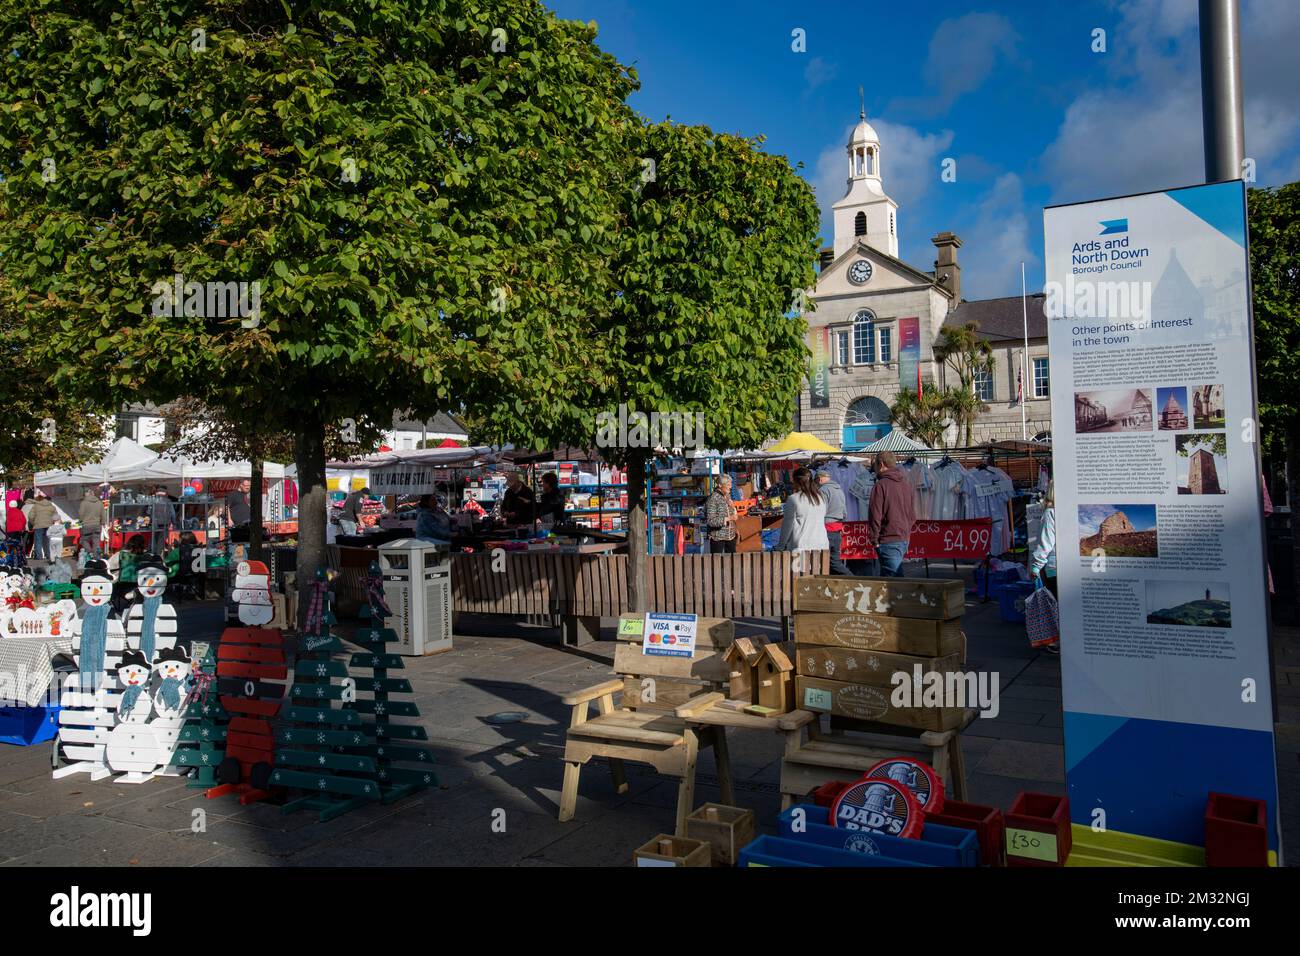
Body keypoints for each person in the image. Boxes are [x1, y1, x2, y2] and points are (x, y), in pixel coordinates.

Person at [867, 451, 915, 578]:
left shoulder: (881, 485)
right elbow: (912, 515)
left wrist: (874, 539)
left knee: (894, 584)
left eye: (875, 465)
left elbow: (875, 515)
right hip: (902, 537)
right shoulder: (905, 485)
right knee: (888, 581)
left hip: (889, 538)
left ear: (881, 464)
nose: (875, 469)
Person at [776, 467, 830, 556]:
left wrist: (781, 545)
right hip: (822, 545)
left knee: (798, 570)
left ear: (796, 482)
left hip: (801, 547)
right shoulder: (821, 498)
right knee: (818, 570)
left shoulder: (793, 499)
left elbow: (787, 525)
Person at [817, 469, 851, 575]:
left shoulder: (823, 490)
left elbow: (821, 511)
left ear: (819, 479)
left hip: (827, 529)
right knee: (834, 561)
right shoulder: (839, 490)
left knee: (829, 562)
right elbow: (845, 512)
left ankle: (853, 579)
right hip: (837, 529)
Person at [1030, 483, 1057, 599]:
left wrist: (1036, 566)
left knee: (1055, 605)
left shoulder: (1050, 512)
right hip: (1070, 567)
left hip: (1053, 567)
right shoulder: (1069, 511)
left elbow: (1046, 541)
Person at [705, 475, 738, 553]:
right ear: (720, 485)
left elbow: (733, 513)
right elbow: (710, 521)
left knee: (732, 562)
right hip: (718, 538)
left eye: (731, 484)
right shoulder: (713, 499)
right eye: (728, 485)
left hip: (730, 536)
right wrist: (728, 518)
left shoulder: (727, 496)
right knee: (717, 563)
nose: (730, 487)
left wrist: (733, 507)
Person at [25, 490, 59, 561]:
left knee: (38, 541)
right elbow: (56, 516)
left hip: (38, 525)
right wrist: (52, 522)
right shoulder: (51, 506)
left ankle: (39, 556)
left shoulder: (36, 506)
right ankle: (48, 555)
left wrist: (33, 523)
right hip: (49, 525)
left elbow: (30, 516)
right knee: (47, 541)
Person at [78, 487, 104, 557]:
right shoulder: (99, 502)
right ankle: (96, 558)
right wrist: (103, 523)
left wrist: (80, 520)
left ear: (87, 494)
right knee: (96, 542)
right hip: (97, 525)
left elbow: (81, 514)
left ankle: (90, 552)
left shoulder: (84, 503)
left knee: (83, 540)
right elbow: (103, 514)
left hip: (87, 525)